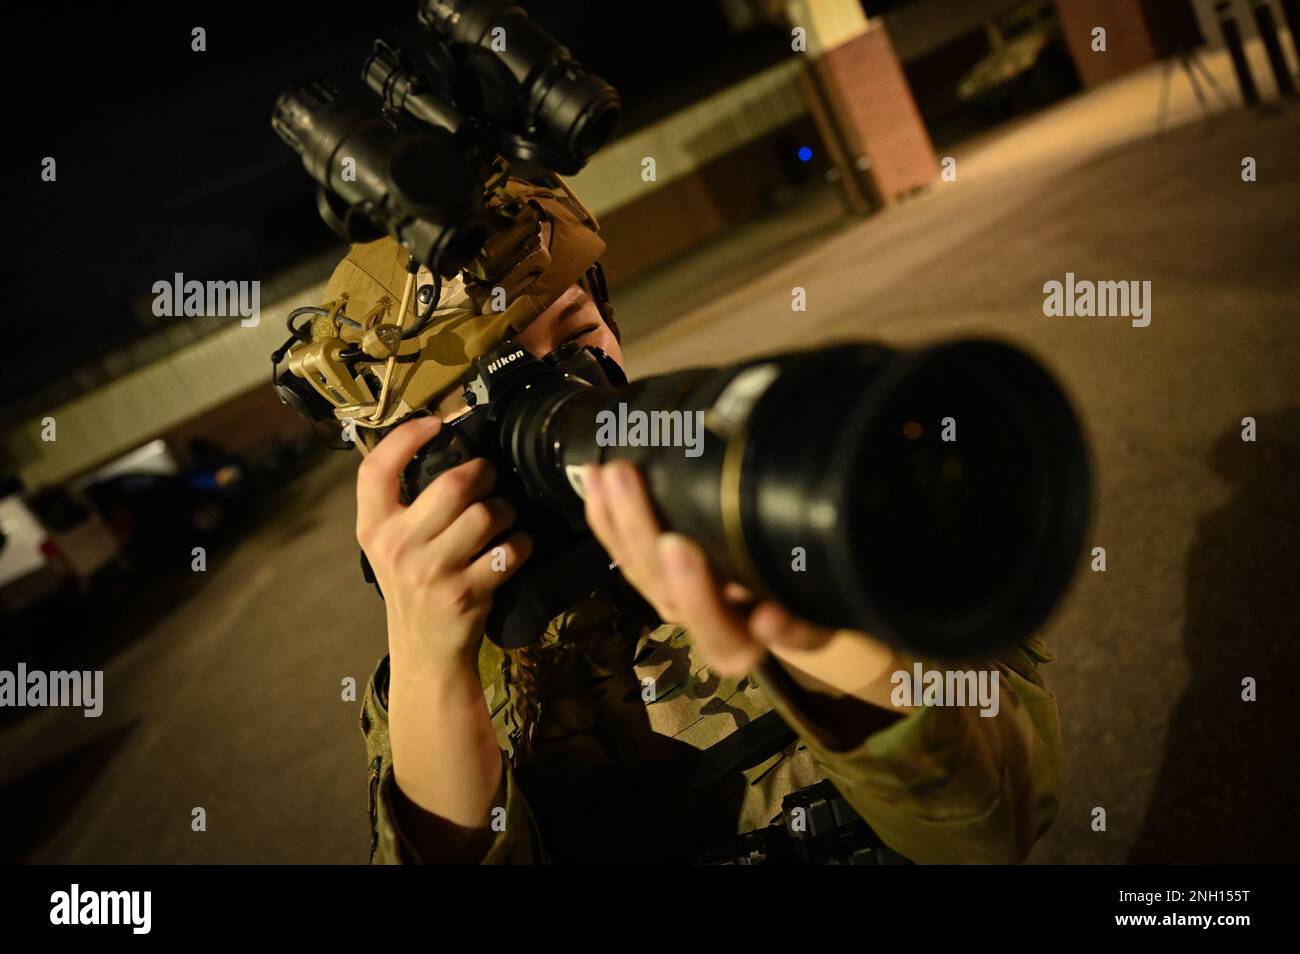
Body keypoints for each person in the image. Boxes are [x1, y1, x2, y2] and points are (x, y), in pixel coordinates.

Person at [334, 182, 1063, 865]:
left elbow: (996, 830)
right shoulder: (440, 674)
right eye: (483, 389)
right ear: (400, 456)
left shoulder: (744, 491)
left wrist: (824, 635)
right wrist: (432, 664)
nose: (559, 390)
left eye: (577, 334)